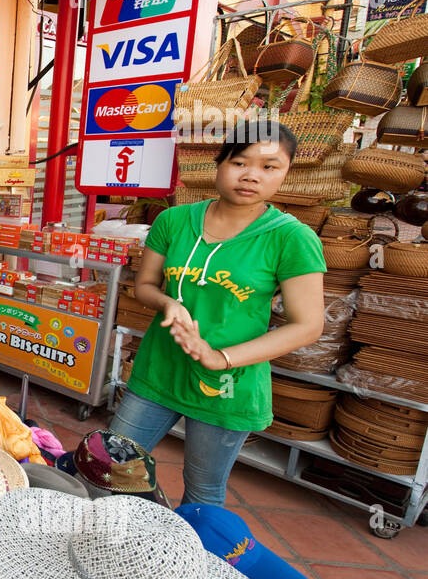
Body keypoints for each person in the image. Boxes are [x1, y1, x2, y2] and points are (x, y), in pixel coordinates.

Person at [112, 118, 325, 506]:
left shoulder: (291, 238)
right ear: (219, 162)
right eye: (239, 162)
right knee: (112, 465)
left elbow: (308, 326)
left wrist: (219, 357)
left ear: (286, 172)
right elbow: (145, 285)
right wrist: (168, 302)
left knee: (202, 493)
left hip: (228, 385)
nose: (251, 176)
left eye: (269, 166)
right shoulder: (174, 220)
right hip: (159, 370)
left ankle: (189, 547)